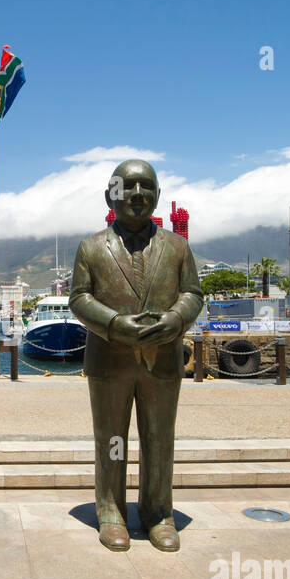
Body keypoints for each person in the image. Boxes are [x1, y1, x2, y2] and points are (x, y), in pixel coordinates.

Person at [69, 159, 204, 552]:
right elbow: (80, 298)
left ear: (158, 196)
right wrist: (114, 324)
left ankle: (158, 512)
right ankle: (111, 511)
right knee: (113, 439)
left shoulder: (178, 248)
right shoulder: (91, 247)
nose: (138, 194)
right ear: (111, 193)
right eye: (128, 186)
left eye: (147, 186)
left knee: (159, 439)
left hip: (163, 360)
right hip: (109, 361)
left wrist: (176, 319)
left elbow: (193, 293)